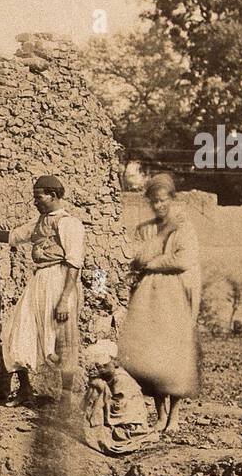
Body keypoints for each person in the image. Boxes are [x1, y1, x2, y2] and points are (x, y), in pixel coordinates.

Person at [0, 174, 85, 405]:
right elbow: (11, 237)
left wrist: (65, 299)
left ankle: (66, 400)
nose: (34, 202)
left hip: (60, 281)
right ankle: (25, 391)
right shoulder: (38, 223)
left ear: (53, 196)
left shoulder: (69, 223)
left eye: (38, 197)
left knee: (62, 340)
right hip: (39, 281)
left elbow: (74, 263)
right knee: (18, 331)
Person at [116, 172, 200, 432]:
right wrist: (160, 243)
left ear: (172, 200)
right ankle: (159, 414)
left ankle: (174, 416)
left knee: (173, 357)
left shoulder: (184, 228)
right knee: (151, 356)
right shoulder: (146, 229)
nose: (159, 206)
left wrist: (154, 262)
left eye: (164, 200)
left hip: (174, 296)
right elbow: (135, 256)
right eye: (154, 201)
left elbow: (184, 260)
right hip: (147, 298)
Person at [81, 340, 157, 456]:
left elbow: (120, 406)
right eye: (99, 367)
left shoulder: (120, 378)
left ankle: (92, 422)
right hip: (116, 414)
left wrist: (102, 391)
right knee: (95, 387)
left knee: (98, 388)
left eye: (105, 366)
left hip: (129, 422)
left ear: (114, 363)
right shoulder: (108, 376)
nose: (101, 370)